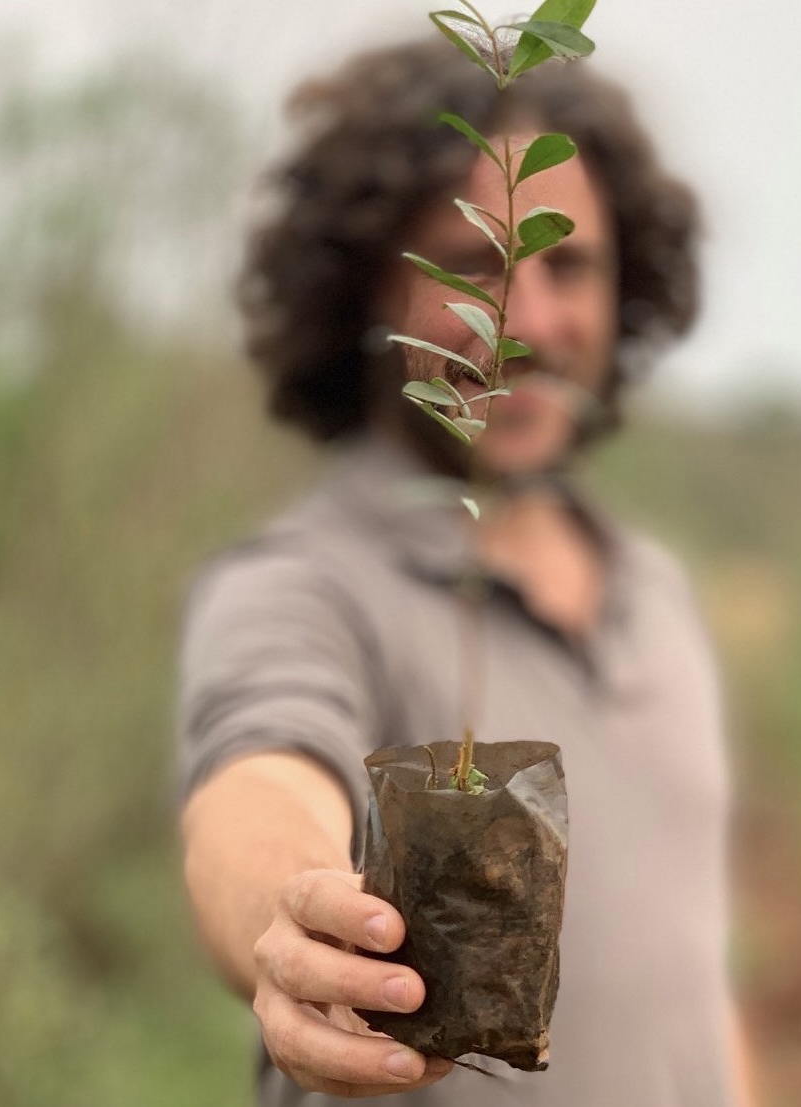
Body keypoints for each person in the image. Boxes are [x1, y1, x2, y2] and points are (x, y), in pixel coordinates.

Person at [177, 33, 757, 1107]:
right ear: (363, 292)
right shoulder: (297, 586)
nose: (523, 323)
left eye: (566, 264)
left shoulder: (655, 589)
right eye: (468, 265)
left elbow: (689, 978)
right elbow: (256, 776)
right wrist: (295, 924)